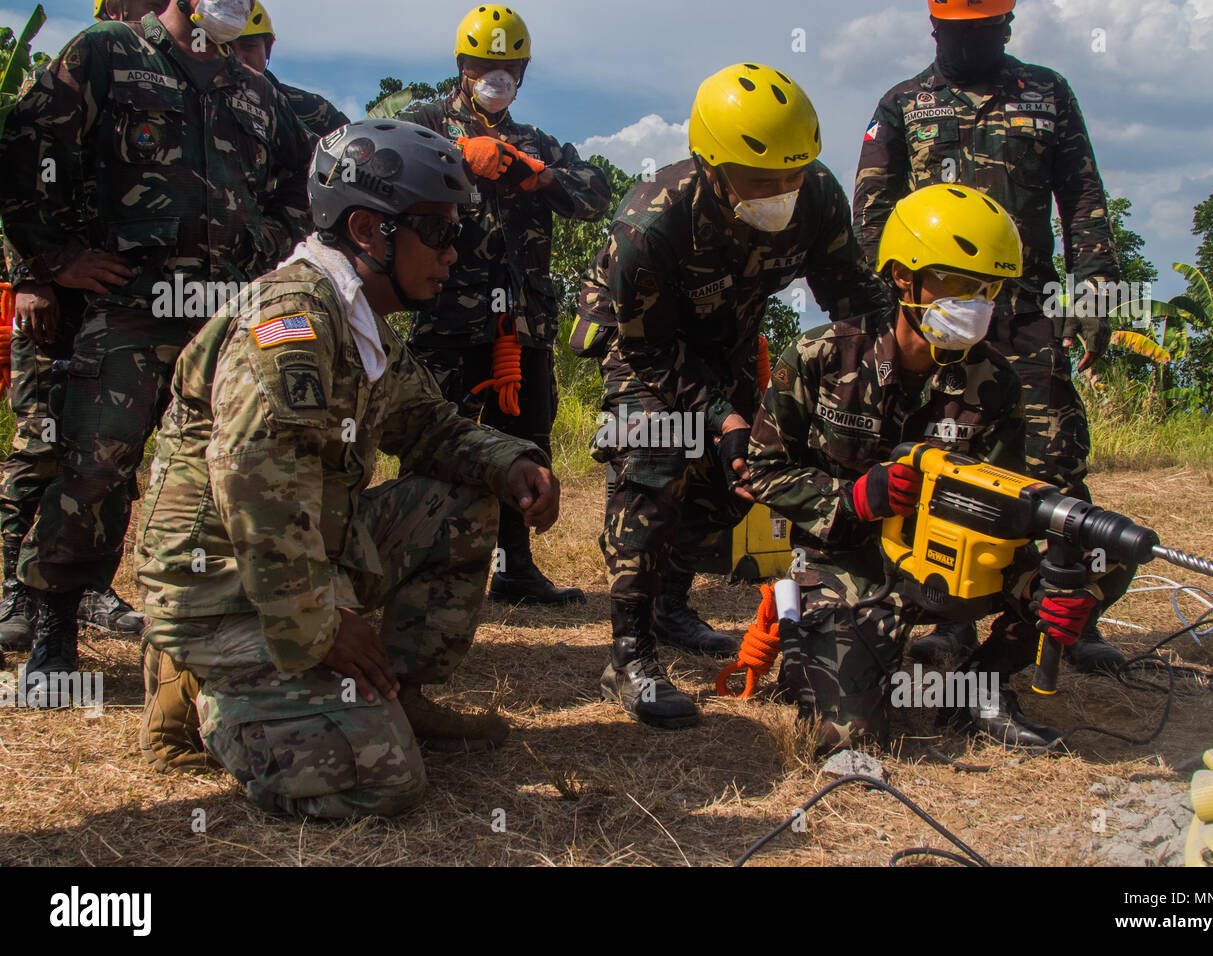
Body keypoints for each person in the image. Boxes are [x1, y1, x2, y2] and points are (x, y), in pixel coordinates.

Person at [134, 120, 561, 808]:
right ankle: (210, 697)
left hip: (299, 563)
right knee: (380, 780)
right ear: (367, 230)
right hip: (226, 587)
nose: (454, 253)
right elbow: (253, 483)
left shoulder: (361, 321)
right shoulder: (294, 322)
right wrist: (322, 621)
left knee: (468, 494)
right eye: (439, 231)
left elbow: (426, 424)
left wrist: (513, 465)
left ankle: (399, 692)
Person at [0, 0, 314, 706]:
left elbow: (304, 179)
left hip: (228, 318)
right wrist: (54, 258)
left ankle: (211, 637)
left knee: (229, 470)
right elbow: (25, 145)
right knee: (94, 467)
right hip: (131, 308)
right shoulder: (109, 53)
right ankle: (53, 636)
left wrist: (268, 240)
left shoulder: (254, 91)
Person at [748, 184, 1131, 753]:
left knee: (1101, 557)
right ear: (904, 276)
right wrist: (852, 499)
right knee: (850, 735)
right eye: (958, 282)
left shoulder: (994, 381)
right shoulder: (820, 358)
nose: (977, 303)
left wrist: (1047, 581)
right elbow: (761, 470)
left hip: (950, 560)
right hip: (847, 562)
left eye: (989, 288)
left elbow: (1007, 508)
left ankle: (980, 687)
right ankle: (818, 652)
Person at [580, 63, 887, 729]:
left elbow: (854, 302)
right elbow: (648, 349)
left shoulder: (817, 197)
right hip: (647, 349)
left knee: (740, 488)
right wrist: (720, 419)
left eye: (793, 173)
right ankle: (629, 655)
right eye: (761, 180)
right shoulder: (650, 224)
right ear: (709, 165)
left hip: (731, 343)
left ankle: (671, 606)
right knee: (657, 454)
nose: (782, 192)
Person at [854, 0, 1126, 673]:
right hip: (938, 315)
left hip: (1023, 310)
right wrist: (881, 314)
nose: (972, 40)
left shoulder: (1047, 93)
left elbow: (1082, 194)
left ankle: (1062, 610)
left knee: (1053, 458)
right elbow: (872, 214)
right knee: (940, 455)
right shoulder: (902, 105)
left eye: (986, 28)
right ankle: (949, 614)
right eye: (959, 29)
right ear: (936, 28)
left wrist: (1096, 286)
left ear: (1005, 27)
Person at [398, 4, 610, 606]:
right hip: (448, 318)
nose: (498, 76)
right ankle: (424, 571)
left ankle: (516, 567)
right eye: (485, 65)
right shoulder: (424, 123)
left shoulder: (536, 142)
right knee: (440, 439)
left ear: (523, 71)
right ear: (462, 65)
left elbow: (595, 193)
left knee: (525, 442)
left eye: (509, 66)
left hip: (523, 320)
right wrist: (454, 158)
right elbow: (379, 162)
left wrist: (537, 175)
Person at [0, 0, 173, 654]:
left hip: (122, 305)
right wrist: (38, 272)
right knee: (40, 445)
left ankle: (92, 585)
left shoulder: (161, 92)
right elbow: (20, 164)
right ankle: (19, 591)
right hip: (58, 302)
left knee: (110, 453)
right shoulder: (76, 66)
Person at [231, 1, 350, 138]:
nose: (238, 58)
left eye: (249, 46)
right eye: (225, 48)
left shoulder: (312, 110)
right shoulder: (202, 110)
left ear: (267, 49)